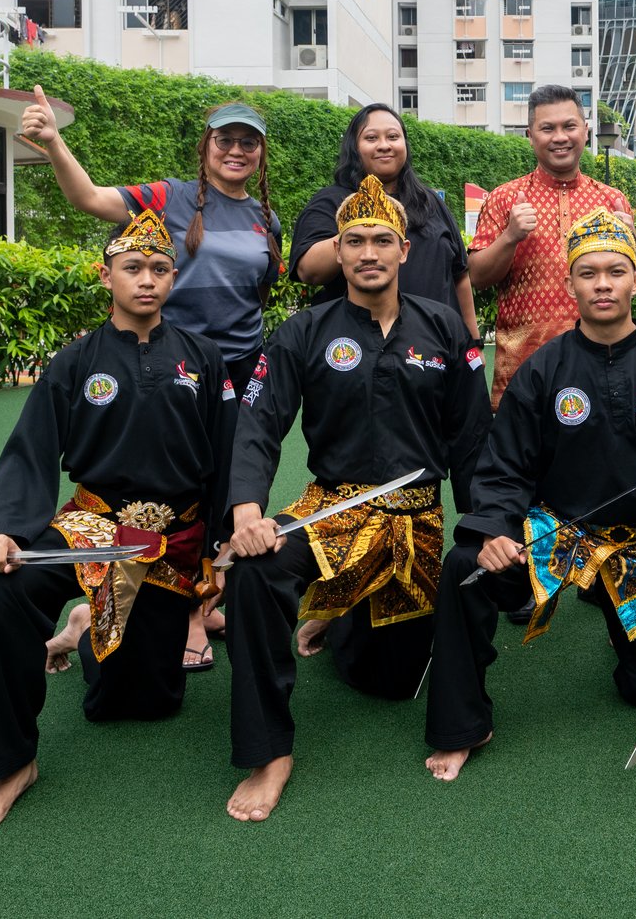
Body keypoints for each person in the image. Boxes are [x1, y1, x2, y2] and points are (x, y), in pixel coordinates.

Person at [422, 208, 636, 781]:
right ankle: (461, 724)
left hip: (635, 546)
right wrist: (494, 528)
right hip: (551, 536)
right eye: (588, 273)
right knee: (465, 567)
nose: (602, 284)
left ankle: (626, 625)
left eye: (615, 272)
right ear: (570, 282)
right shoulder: (543, 370)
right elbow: (504, 465)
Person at [0, 208, 237, 838]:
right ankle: (12, 763)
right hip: (93, 525)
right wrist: (6, 531)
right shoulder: (74, 361)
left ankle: (83, 625)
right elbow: (30, 450)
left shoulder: (204, 358)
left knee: (137, 705)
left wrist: (221, 542)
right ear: (106, 276)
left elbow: (228, 456)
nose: (146, 280)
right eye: (131, 268)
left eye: (159, 269)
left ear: (173, 278)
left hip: (171, 541)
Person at [219, 175, 491, 822]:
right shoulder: (304, 332)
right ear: (336, 254)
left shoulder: (445, 327)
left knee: (390, 683)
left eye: (381, 240)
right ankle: (269, 749)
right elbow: (257, 424)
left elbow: (473, 440)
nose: (368, 252)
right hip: (332, 511)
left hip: (415, 523)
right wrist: (248, 510)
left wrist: (484, 525)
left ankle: (338, 614)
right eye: (354, 241)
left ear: (403, 249)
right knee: (254, 571)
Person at [20, 92, 283, 670]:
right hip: (170, 365)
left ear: (260, 153)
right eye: (226, 139)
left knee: (233, 485)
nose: (236, 150)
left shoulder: (267, 218)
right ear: (206, 146)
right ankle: (182, 614)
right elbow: (89, 199)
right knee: (177, 488)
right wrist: (54, 142)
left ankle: (193, 598)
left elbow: (260, 291)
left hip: (240, 364)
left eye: (248, 142)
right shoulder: (171, 197)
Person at [467, 83, 632, 408]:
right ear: (531, 135)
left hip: (602, 362)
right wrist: (511, 236)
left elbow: (634, 275)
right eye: (547, 128)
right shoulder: (504, 199)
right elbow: (476, 276)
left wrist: (633, 239)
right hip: (522, 368)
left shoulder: (611, 200)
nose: (560, 137)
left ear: (585, 131)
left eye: (569, 126)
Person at [292, 104, 479, 341]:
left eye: (393, 136)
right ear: (355, 148)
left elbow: (459, 274)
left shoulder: (429, 201)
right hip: (358, 348)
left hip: (437, 344)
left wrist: (474, 342)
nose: (384, 145)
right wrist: (358, 225)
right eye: (371, 137)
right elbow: (308, 270)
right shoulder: (332, 201)